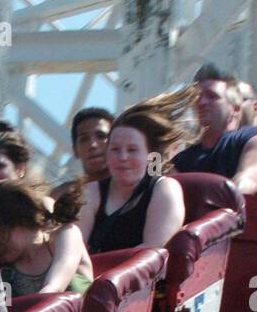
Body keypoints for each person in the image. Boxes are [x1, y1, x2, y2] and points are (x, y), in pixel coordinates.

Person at [76, 87, 190, 255]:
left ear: (151, 156)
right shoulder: (91, 192)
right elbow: (75, 248)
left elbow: (152, 254)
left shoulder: (165, 189)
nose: (123, 157)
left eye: (132, 150)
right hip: (90, 278)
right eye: (115, 149)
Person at [171, 67, 257, 197]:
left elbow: (248, 180)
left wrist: (216, 204)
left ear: (235, 109)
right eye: (197, 97)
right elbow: (154, 183)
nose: (201, 102)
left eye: (212, 96)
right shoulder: (182, 160)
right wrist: (154, 149)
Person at [0, 180, 93, 298]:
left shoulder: (65, 235)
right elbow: (2, 311)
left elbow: (54, 288)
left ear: (22, 222)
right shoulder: (7, 270)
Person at [51, 107, 114, 199]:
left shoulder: (137, 191)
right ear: (75, 150)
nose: (93, 145)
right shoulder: (61, 196)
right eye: (84, 139)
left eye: (101, 136)